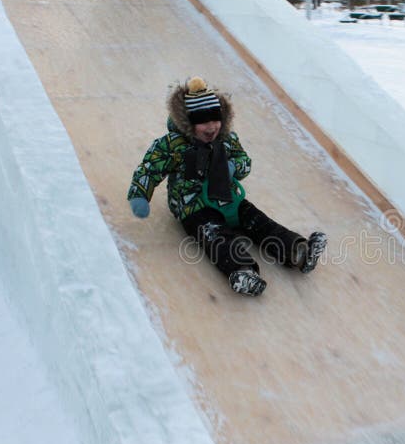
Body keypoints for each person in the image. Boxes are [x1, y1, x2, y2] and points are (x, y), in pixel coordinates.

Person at [127, 76, 327, 296]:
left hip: (228, 197)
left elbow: (245, 161)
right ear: (188, 122)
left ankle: (297, 252)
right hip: (193, 205)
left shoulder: (227, 139)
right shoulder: (173, 145)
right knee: (216, 236)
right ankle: (242, 271)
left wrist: (234, 167)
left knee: (259, 221)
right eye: (203, 121)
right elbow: (149, 168)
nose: (212, 126)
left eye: (216, 119)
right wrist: (140, 195)